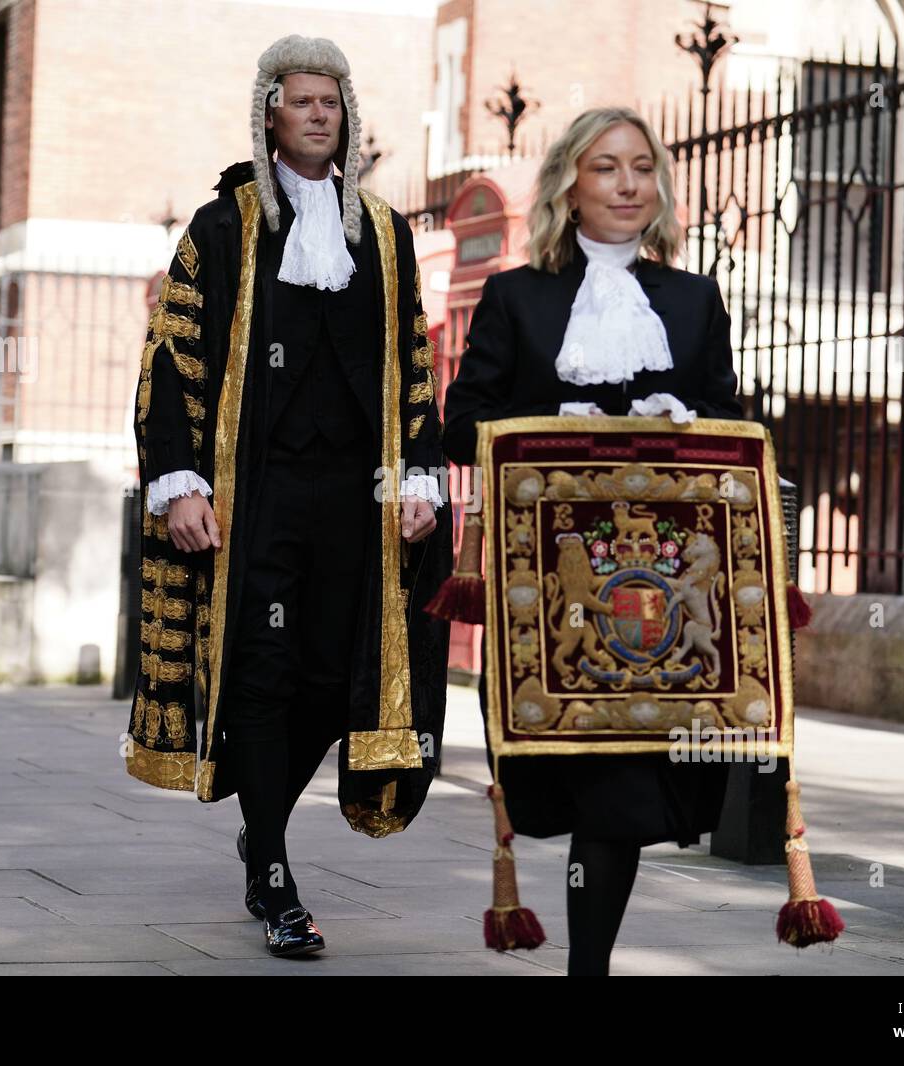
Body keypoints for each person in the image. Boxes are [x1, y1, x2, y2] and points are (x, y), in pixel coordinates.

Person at [126, 34, 454, 958]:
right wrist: (177, 482)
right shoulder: (223, 225)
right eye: (303, 101)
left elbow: (415, 372)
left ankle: (258, 823)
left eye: (333, 102)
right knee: (262, 678)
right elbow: (171, 364)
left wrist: (417, 476)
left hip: (355, 500)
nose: (320, 115)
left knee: (329, 678)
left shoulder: (386, 235)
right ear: (270, 110)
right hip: (254, 497)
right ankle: (272, 872)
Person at [442, 106, 744, 976]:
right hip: (550, 590)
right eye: (606, 167)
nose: (626, 184)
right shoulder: (517, 295)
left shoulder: (692, 299)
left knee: (623, 791)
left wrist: (687, 420)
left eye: (641, 167)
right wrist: (543, 426)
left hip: (655, 593)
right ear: (570, 185)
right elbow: (462, 428)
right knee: (580, 783)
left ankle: (587, 970)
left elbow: (732, 421)